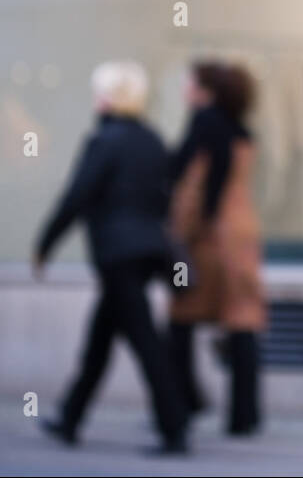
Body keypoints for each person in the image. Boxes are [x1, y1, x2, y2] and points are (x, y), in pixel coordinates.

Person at [33, 60, 188, 455]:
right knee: (100, 341)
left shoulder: (103, 142)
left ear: (105, 98)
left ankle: (174, 427)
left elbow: (77, 196)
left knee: (144, 342)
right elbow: (165, 195)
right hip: (146, 250)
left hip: (118, 255)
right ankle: (70, 417)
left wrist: (45, 243)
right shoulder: (152, 139)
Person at [167, 61, 267, 436]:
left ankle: (183, 402)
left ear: (205, 90)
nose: (184, 89)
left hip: (208, 237)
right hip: (242, 230)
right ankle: (245, 415)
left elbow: (194, 181)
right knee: (243, 320)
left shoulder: (203, 123)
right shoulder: (242, 130)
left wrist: (183, 232)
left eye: (189, 83)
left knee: (180, 319)